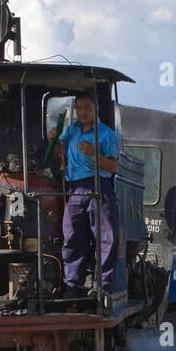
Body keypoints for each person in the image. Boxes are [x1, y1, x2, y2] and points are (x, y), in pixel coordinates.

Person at [50, 93, 119, 298]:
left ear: (95, 108)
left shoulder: (106, 134)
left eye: (87, 108)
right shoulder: (71, 131)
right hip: (74, 190)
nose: (83, 112)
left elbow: (114, 166)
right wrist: (53, 140)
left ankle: (102, 288)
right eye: (79, 108)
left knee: (105, 239)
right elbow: (57, 153)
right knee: (72, 238)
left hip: (99, 186)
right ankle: (73, 287)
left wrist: (93, 154)